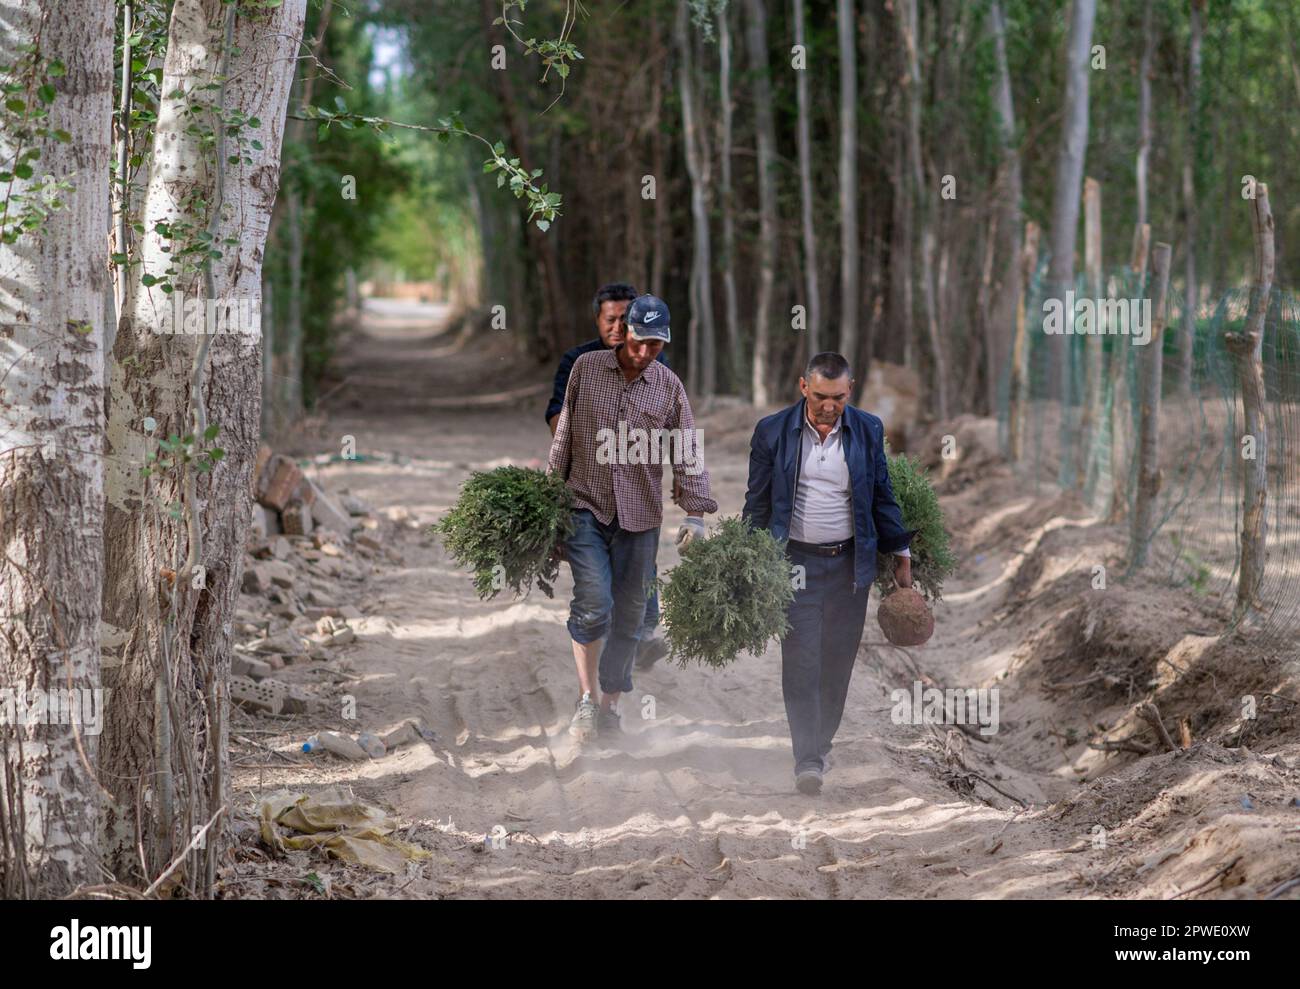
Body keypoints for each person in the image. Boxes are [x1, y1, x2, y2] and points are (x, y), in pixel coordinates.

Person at [742, 352, 914, 795]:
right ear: (803, 388)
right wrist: (746, 558)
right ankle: (808, 758)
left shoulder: (868, 429)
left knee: (837, 661)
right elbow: (757, 505)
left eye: (837, 397)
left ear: (849, 390)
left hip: (849, 566)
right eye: (820, 396)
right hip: (794, 563)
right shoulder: (773, 432)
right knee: (801, 659)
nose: (828, 406)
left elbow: (881, 495)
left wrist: (901, 551)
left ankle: (820, 741)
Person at [548, 295, 717, 742]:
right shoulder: (586, 370)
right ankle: (585, 702)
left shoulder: (668, 386)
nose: (644, 354)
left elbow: (686, 452)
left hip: (640, 517)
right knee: (594, 603)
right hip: (583, 506)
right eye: (639, 342)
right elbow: (563, 437)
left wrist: (695, 514)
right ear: (623, 332)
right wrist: (549, 502)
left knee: (629, 615)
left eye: (655, 346)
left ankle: (609, 708)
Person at [545, 282, 671, 671]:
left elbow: (672, 426)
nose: (618, 327)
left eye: (625, 320)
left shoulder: (655, 362)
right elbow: (556, 416)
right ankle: (597, 667)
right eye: (610, 319)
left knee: (640, 556)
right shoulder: (578, 362)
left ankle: (642, 634)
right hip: (588, 481)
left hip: (636, 482)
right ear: (598, 320)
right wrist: (590, 440)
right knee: (596, 587)